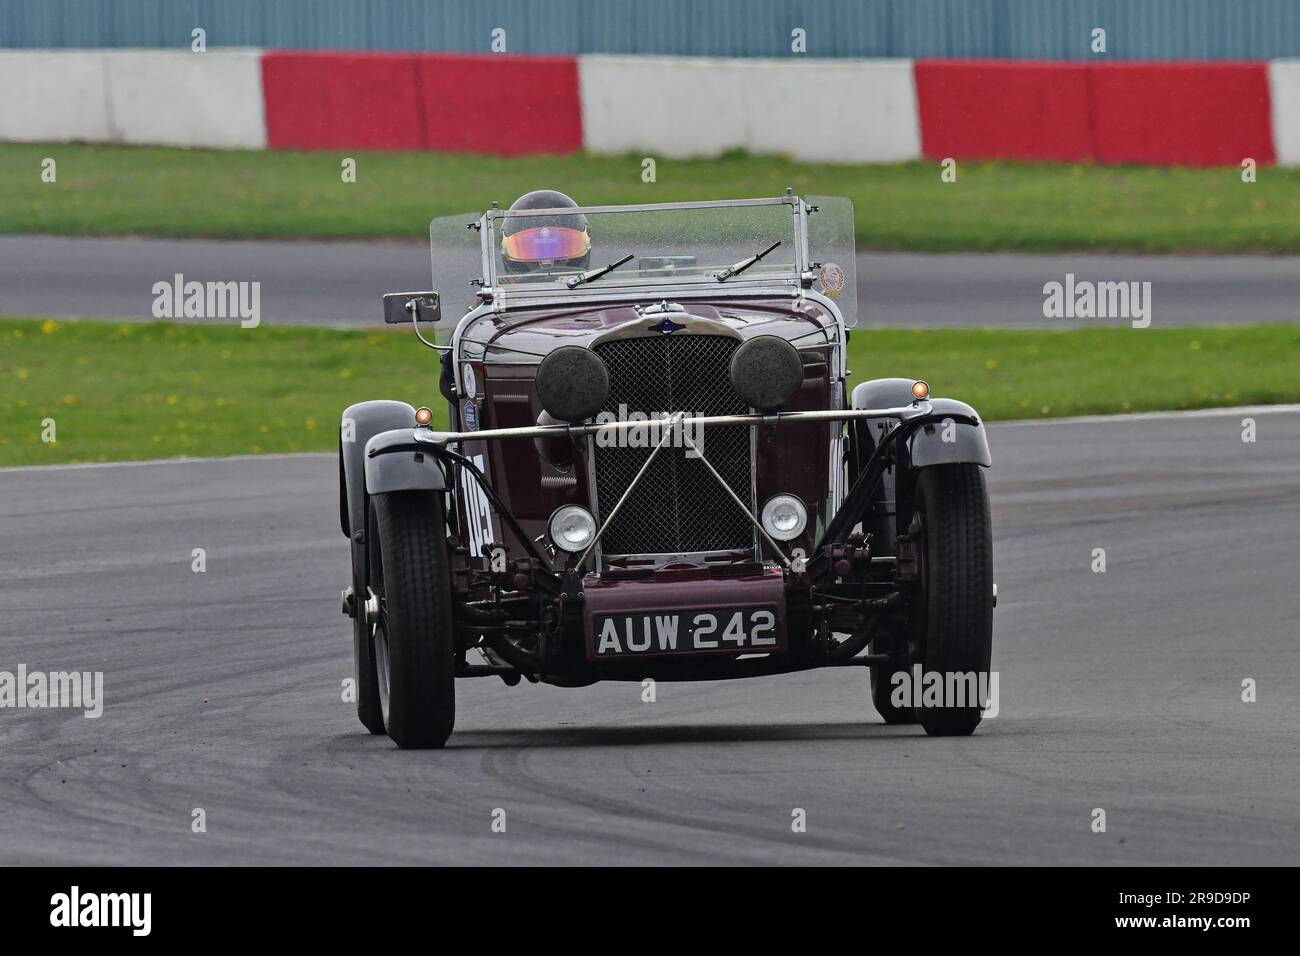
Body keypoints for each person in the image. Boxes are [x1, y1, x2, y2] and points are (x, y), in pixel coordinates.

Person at [499, 189, 591, 274]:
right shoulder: (497, 291)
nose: (546, 264)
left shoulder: (601, 287)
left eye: (560, 249)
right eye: (530, 250)